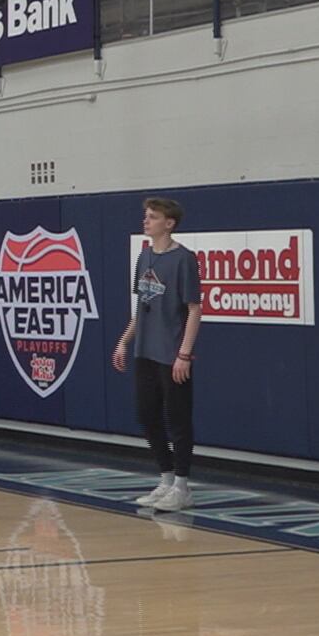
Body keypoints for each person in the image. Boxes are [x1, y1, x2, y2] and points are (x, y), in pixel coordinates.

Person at [112, 197, 204, 513]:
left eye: (152, 217)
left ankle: (182, 485)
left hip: (172, 354)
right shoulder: (145, 257)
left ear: (169, 223)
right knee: (146, 415)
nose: (146, 221)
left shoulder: (184, 260)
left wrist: (184, 354)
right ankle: (165, 479)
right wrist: (124, 342)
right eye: (145, 216)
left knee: (177, 419)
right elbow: (141, 309)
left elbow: (194, 310)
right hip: (145, 351)